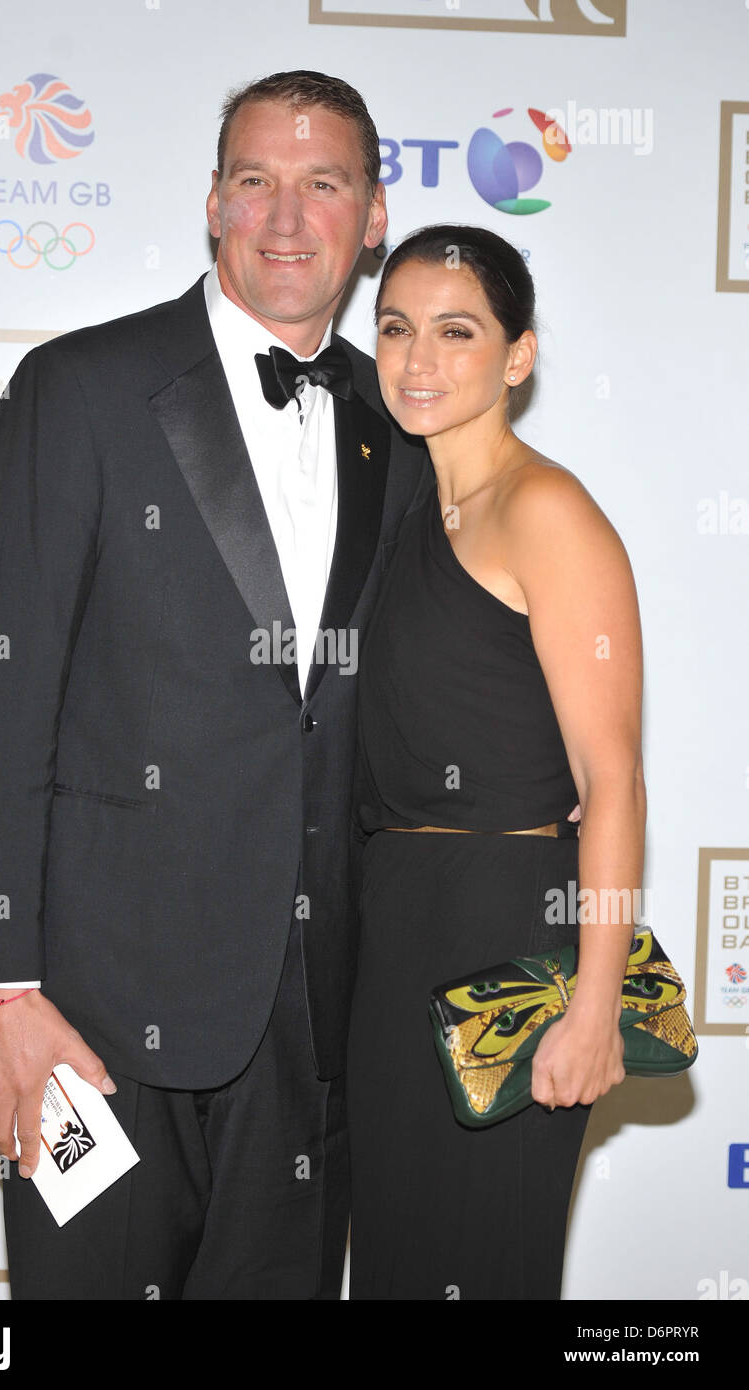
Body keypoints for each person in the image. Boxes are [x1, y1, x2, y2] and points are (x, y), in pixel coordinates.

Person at [0, 71, 431, 1300]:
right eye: (256, 182)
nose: (288, 219)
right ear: (213, 203)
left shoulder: (403, 427)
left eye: (325, 185)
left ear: (373, 217)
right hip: (92, 1020)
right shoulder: (81, 390)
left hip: (318, 1025)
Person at [346, 225, 645, 1300]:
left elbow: (611, 779)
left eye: (455, 331)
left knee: (482, 1264)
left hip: (511, 937)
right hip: (394, 930)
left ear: (516, 355)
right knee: (394, 1265)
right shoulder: (398, 512)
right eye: (394, 328)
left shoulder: (545, 511)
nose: (416, 360)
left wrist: (594, 1002)